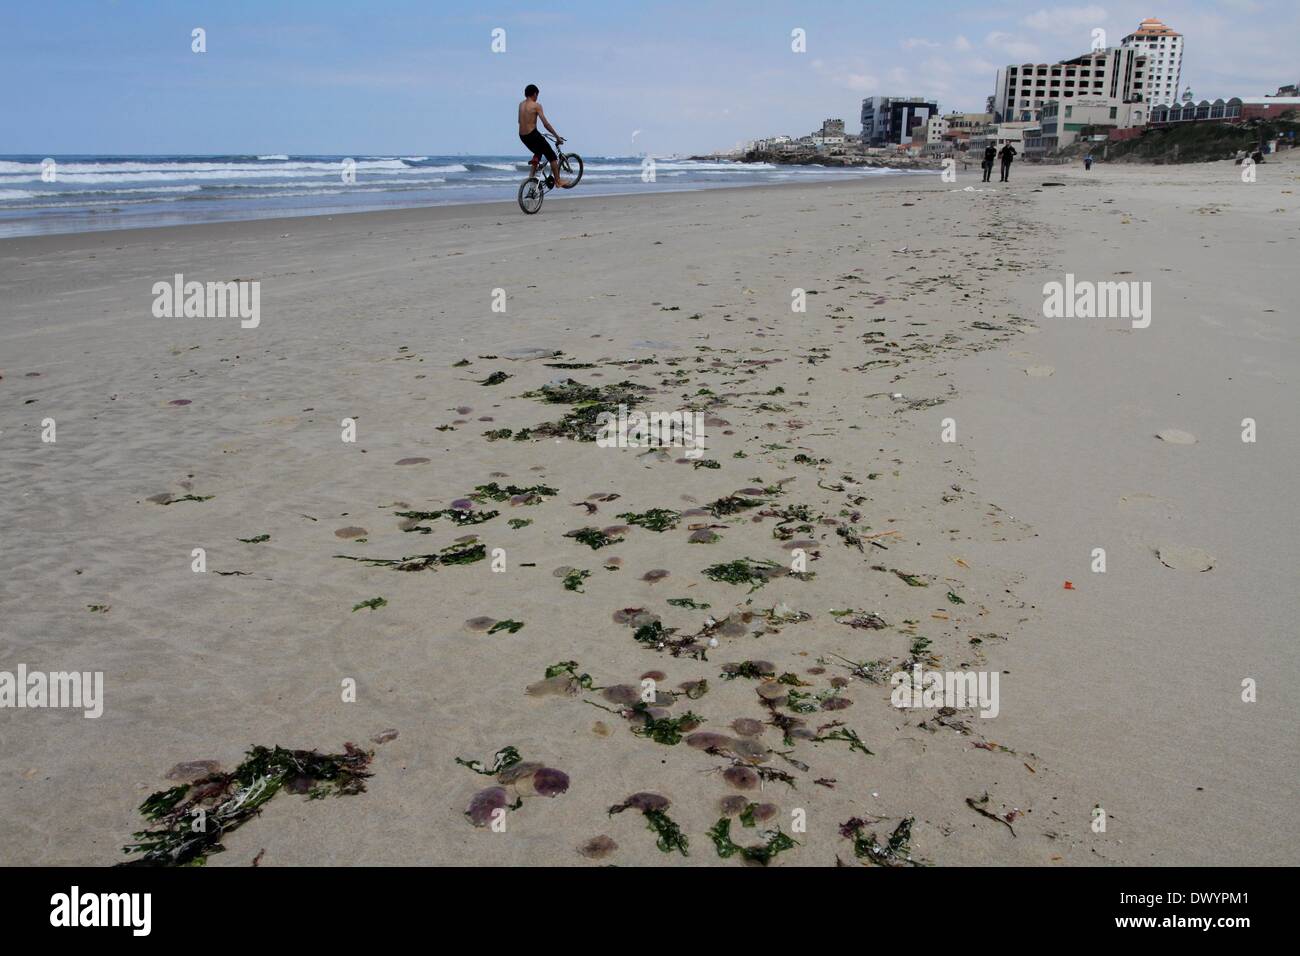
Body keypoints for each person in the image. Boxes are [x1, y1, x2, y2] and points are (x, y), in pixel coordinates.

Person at [518, 84, 570, 188]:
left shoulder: (521, 105)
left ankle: (531, 179)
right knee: (552, 157)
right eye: (537, 95)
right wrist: (557, 137)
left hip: (522, 136)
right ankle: (558, 181)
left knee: (538, 152)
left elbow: (520, 121)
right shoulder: (536, 105)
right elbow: (546, 124)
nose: (537, 97)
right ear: (535, 94)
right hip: (533, 134)